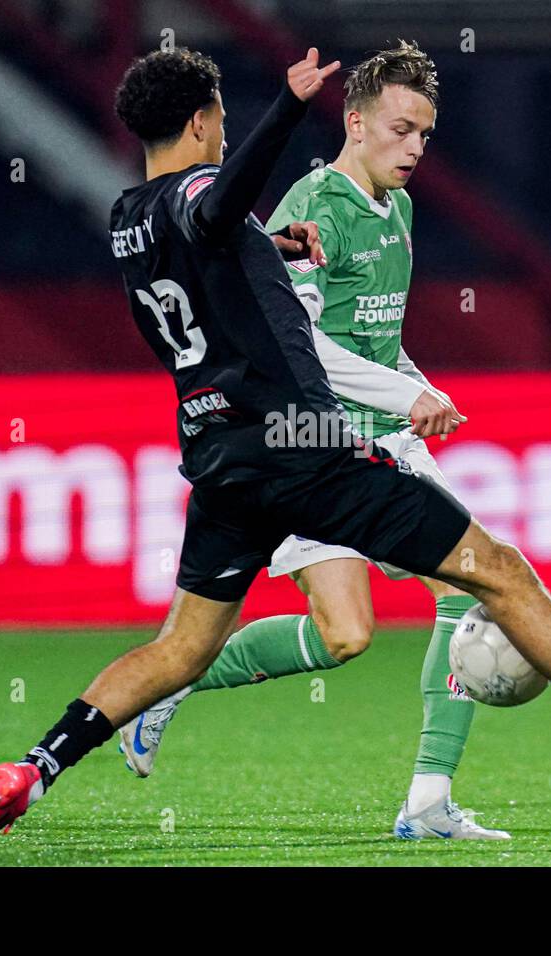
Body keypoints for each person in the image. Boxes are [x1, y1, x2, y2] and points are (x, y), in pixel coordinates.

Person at [0, 46, 551, 854]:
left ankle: (31, 770)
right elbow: (216, 210)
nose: (225, 132)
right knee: (494, 570)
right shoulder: (211, 191)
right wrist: (288, 108)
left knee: (181, 647)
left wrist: (272, 246)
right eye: (220, 119)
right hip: (306, 446)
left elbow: (214, 249)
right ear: (202, 120)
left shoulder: (127, 220)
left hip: (220, 458)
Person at [115, 41, 510, 840]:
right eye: (401, 130)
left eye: (426, 135)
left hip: (382, 437)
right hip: (308, 441)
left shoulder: (398, 209)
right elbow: (308, 348)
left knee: (455, 595)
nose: (415, 149)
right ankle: (173, 679)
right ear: (355, 123)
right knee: (349, 635)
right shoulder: (312, 204)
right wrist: (408, 395)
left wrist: (417, 387)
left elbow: (376, 340)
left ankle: (428, 803)